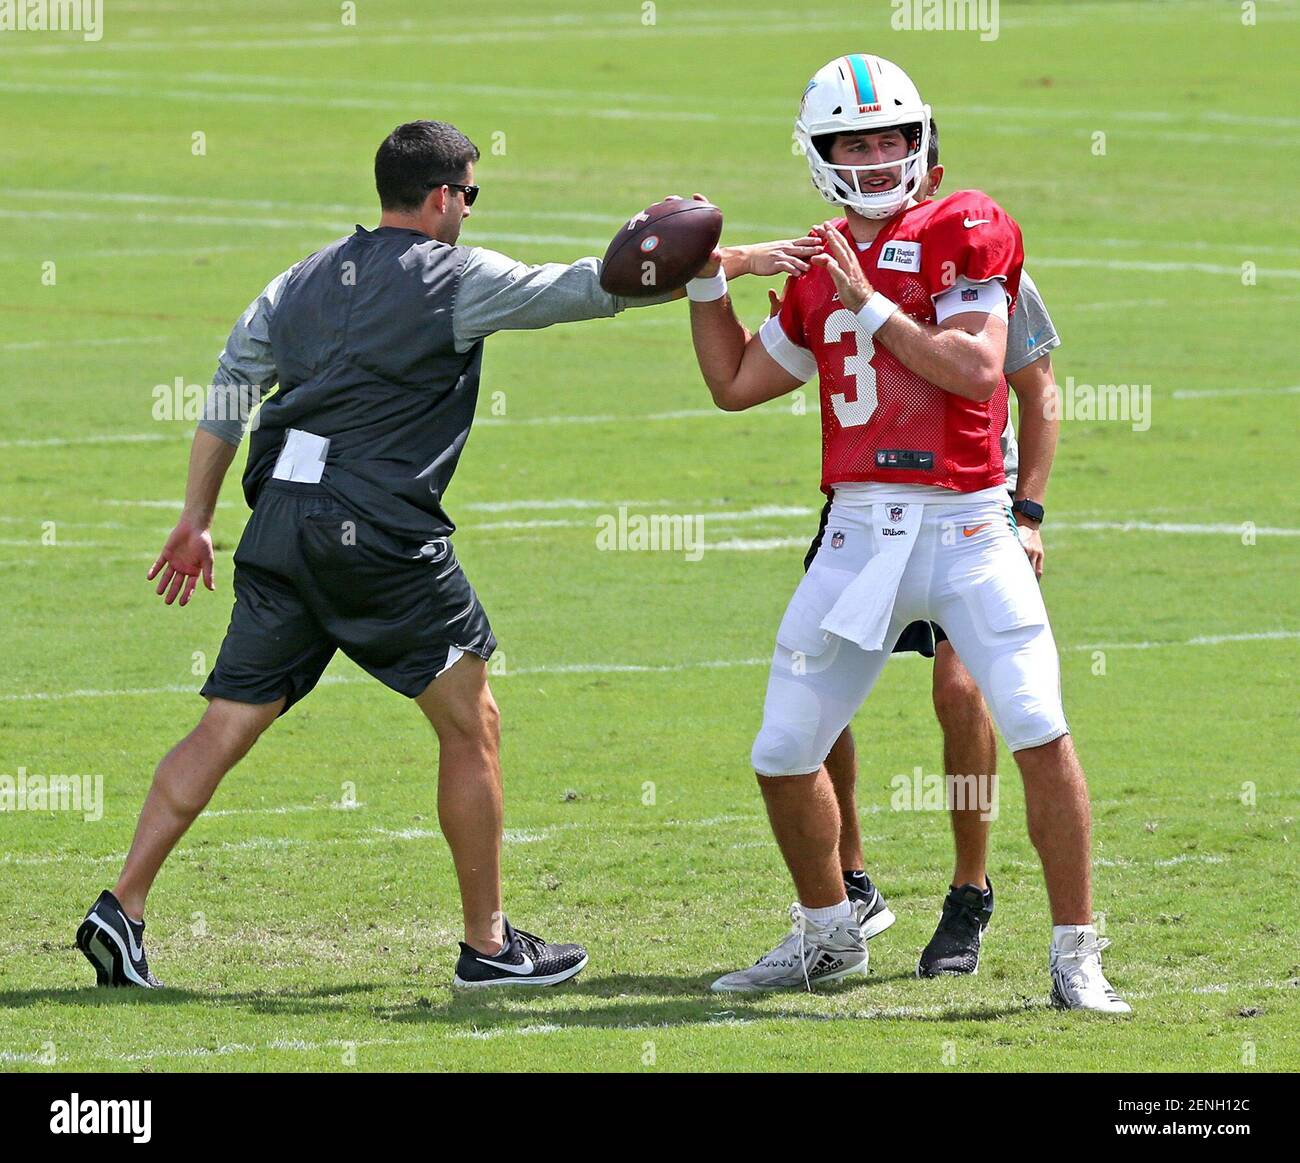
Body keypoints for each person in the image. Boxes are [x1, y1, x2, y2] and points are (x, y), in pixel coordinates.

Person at [73, 121, 801, 992]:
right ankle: (488, 946)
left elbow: (231, 386)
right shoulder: (458, 278)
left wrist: (193, 517)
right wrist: (733, 262)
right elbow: (590, 288)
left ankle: (124, 904)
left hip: (280, 521)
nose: (469, 209)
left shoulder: (298, 278)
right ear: (442, 197)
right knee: (471, 721)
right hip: (376, 533)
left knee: (227, 721)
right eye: (469, 193)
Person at [684, 55, 1128, 1011]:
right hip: (856, 531)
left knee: (1038, 727)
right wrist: (709, 282)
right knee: (783, 746)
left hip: (970, 524)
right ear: (821, 154)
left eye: (891, 136)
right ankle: (830, 934)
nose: (878, 156)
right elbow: (734, 387)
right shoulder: (816, 264)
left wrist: (869, 302)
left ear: (921, 138)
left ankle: (1075, 952)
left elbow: (979, 372)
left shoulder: (964, 222)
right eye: (856, 141)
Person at [789, 132, 1063, 978]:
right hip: (869, 509)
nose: (882, 180)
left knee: (961, 688)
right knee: (817, 693)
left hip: (971, 506)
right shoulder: (839, 259)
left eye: (896, 159)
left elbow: (1036, 390)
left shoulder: (974, 256)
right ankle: (852, 881)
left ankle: (969, 890)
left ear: (929, 172)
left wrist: (1030, 513)